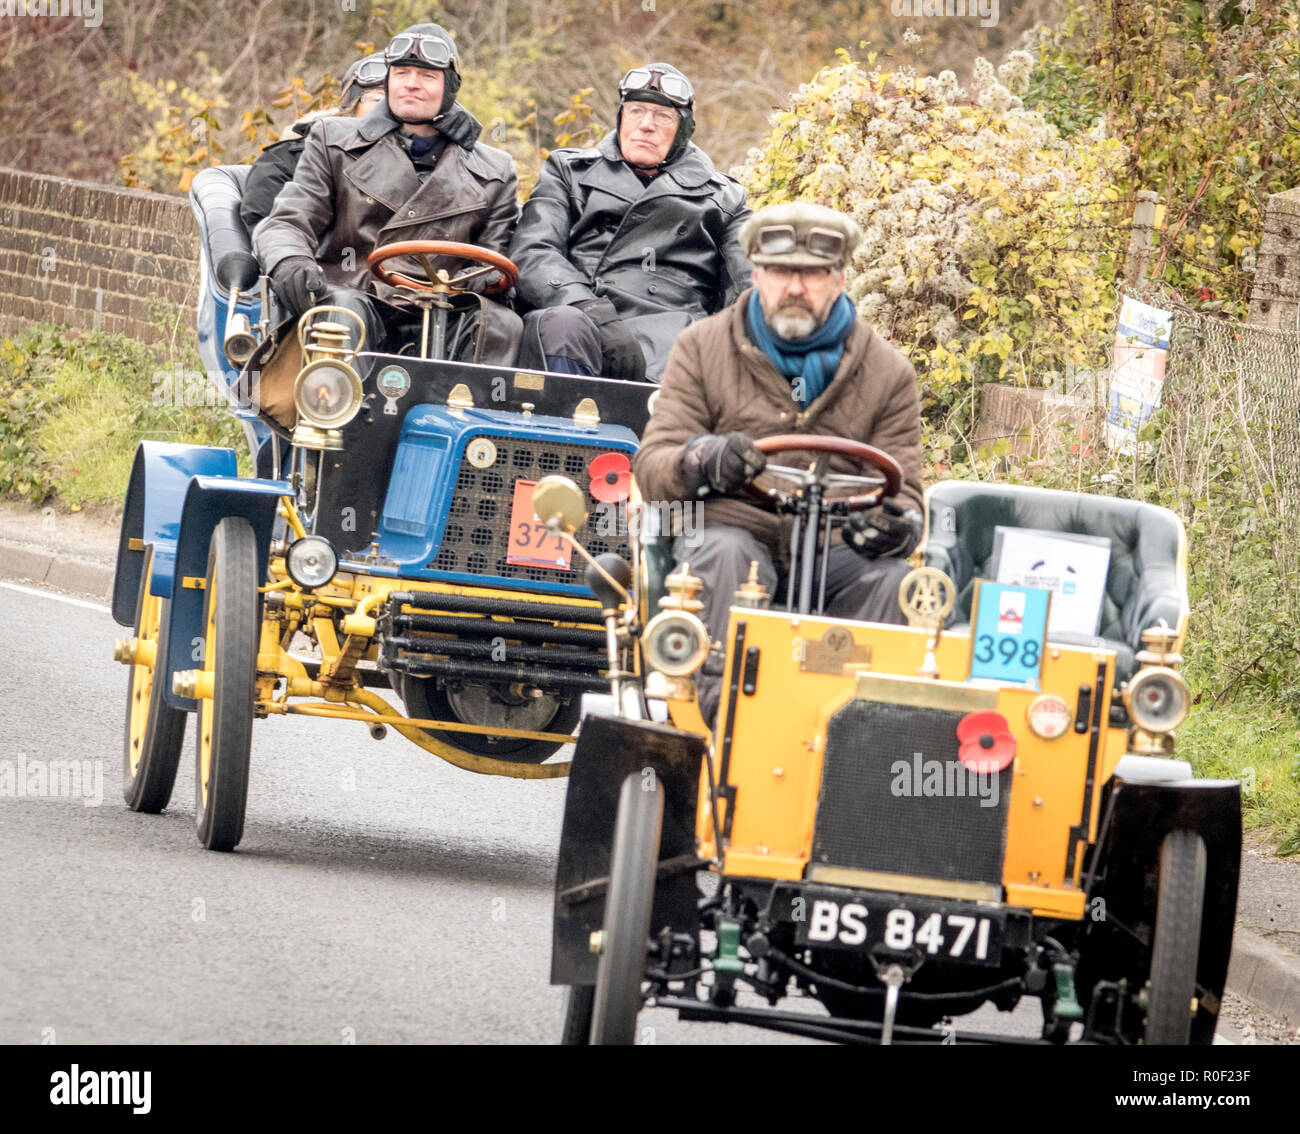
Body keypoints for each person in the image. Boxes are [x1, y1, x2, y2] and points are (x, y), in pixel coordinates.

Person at [632, 202, 926, 721]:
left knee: (897, 580)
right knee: (721, 553)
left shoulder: (889, 372)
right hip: (733, 532)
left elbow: (906, 496)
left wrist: (893, 526)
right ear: (758, 273)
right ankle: (716, 729)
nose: (795, 287)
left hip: (835, 548)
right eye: (780, 272)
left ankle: (858, 733)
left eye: (811, 274)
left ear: (838, 279)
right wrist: (705, 460)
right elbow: (653, 468)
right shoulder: (702, 347)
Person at [251, 23, 522, 373]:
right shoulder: (333, 141)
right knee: (344, 310)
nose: (411, 83)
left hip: (445, 308)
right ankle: (333, 413)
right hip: (356, 295)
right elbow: (289, 221)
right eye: (402, 73)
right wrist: (291, 262)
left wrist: (477, 283)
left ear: (449, 87)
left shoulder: (496, 170)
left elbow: (493, 258)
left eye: (426, 75)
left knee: (502, 324)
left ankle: (468, 421)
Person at [509, 63, 753, 382]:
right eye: (636, 111)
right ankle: (564, 429)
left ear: (684, 129)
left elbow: (749, 284)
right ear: (621, 116)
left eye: (663, 116)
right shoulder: (568, 171)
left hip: (680, 334)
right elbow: (533, 253)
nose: (645, 125)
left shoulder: (725, 199)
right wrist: (592, 311)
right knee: (562, 324)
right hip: (585, 318)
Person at [239, 52, 389, 233]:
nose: (385, 111)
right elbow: (267, 232)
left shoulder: (418, 163)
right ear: (349, 107)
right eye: (378, 99)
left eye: (392, 103)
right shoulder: (287, 159)